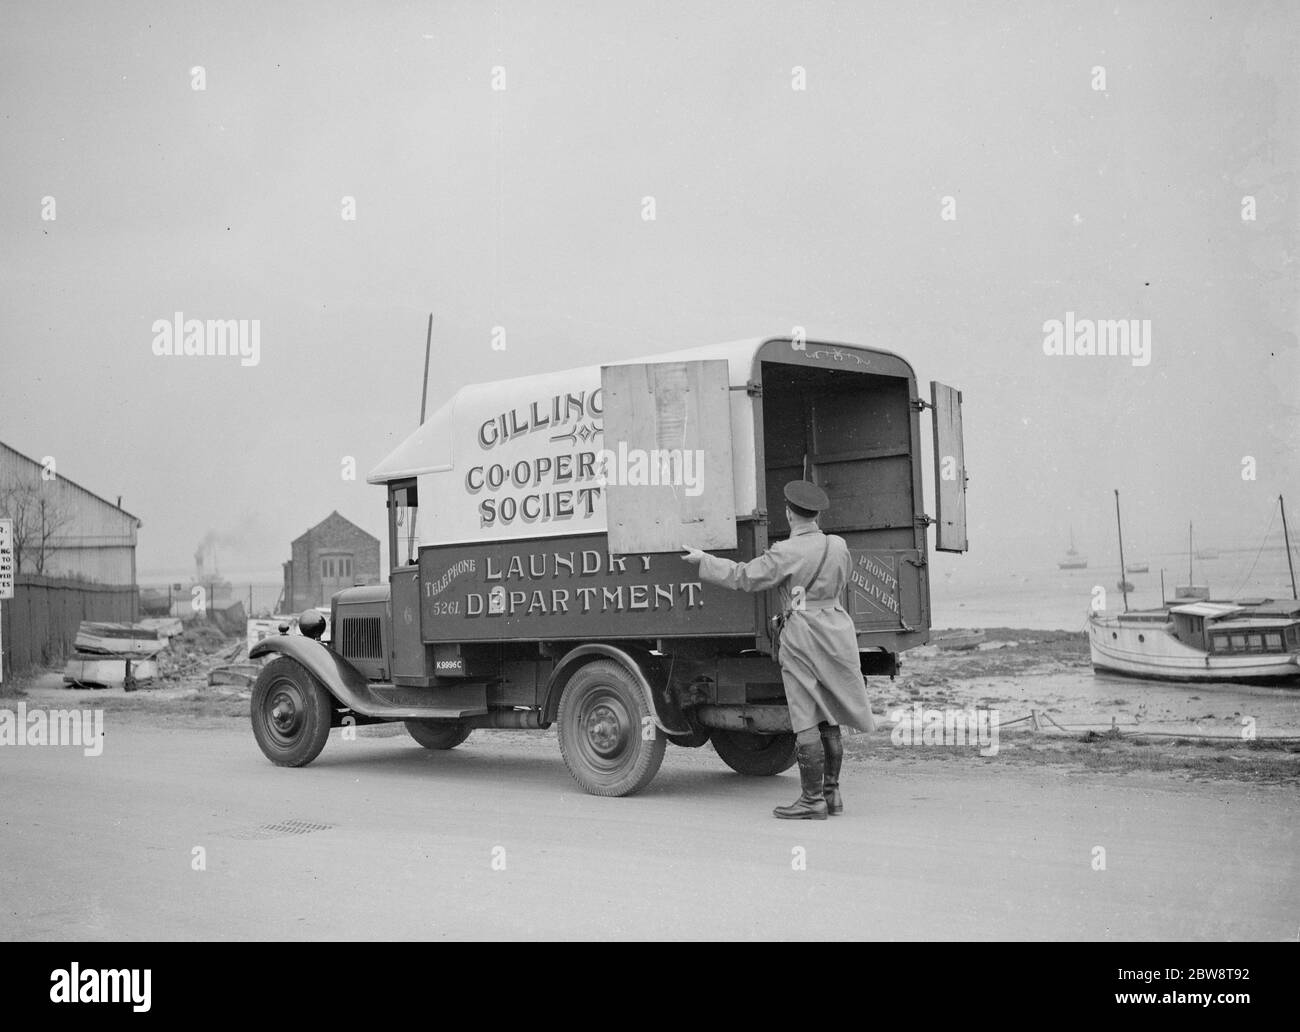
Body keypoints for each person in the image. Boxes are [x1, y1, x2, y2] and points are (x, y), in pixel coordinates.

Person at [682, 480, 876, 820]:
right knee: (830, 713)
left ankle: (811, 800)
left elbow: (745, 577)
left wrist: (705, 559)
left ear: (789, 514)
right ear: (816, 514)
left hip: (804, 635)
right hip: (837, 629)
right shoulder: (838, 545)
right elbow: (841, 581)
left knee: (805, 716)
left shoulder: (785, 552)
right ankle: (832, 795)